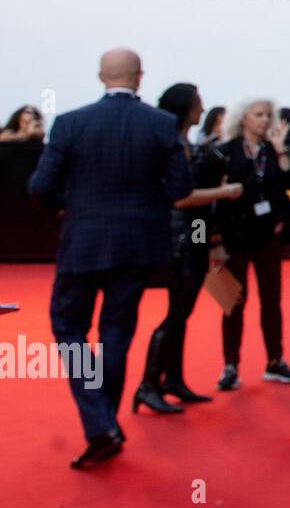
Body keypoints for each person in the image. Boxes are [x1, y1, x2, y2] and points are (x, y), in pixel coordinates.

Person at [27, 48, 193, 468]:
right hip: (138, 244)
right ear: (139, 77)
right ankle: (105, 420)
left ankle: (100, 422)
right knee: (116, 331)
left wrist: (68, 208)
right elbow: (179, 189)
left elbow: (39, 187)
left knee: (69, 327)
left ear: (101, 75)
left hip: (82, 240)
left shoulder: (70, 123)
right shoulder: (161, 124)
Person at [132, 83, 243, 414]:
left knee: (183, 310)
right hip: (181, 234)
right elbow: (181, 197)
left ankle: (172, 380)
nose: (203, 106)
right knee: (177, 311)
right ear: (186, 108)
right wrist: (224, 192)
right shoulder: (172, 143)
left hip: (193, 232)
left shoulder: (181, 141)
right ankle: (148, 384)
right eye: (197, 102)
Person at [213, 98, 290, 389]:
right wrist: (213, 241)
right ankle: (230, 367)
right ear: (243, 118)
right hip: (235, 239)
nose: (265, 120)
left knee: (271, 301)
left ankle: (275, 362)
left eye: (268, 115)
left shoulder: (273, 150)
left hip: (268, 238)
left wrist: (281, 150)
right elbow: (213, 200)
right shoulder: (225, 152)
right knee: (233, 302)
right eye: (259, 114)